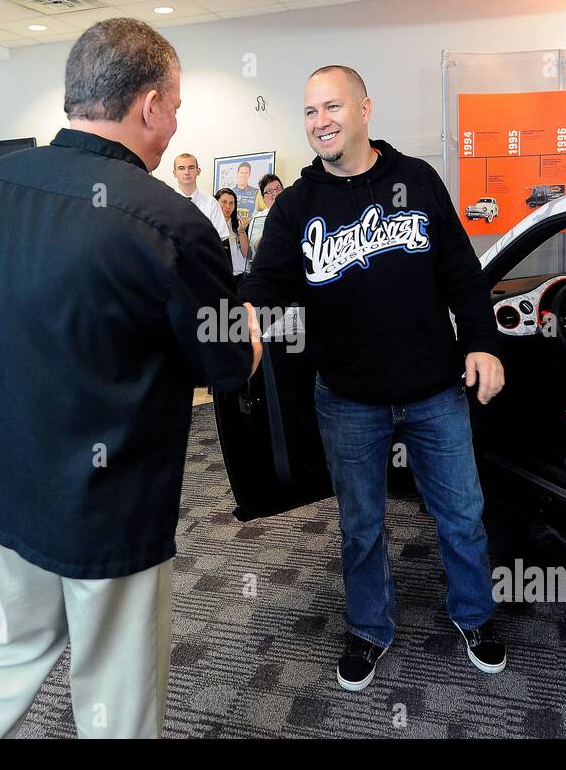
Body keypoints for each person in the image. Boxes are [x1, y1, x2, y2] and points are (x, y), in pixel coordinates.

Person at [0, 18, 260, 740]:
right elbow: (229, 367)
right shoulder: (167, 220)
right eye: (174, 106)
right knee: (117, 681)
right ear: (148, 105)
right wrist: (254, 331)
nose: (174, 125)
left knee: (18, 637)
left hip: (10, 484)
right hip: (111, 502)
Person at [240, 65, 506, 691]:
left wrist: (483, 345)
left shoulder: (416, 180)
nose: (319, 122)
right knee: (361, 525)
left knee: (462, 515)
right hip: (347, 398)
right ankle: (369, 628)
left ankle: (475, 616)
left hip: (434, 388)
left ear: (365, 108)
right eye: (309, 112)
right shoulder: (297, 204)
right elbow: (265, 281)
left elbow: (463, 276)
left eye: (331, 107)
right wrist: (242, 315)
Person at [173, 152, 234, 268]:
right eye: (181, 168)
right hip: (176, 268)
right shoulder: (167, 201)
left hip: (205, 266)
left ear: (198, 171)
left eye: (191, 167)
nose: (187, 172)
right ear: (175, 173)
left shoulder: (211, 203)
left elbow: (221, 239)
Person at [247, 172, 283, 264]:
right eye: (269, 191)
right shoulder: (258, 218)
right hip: (267, 268)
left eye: (278, 189)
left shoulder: (293, 213)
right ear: (263, 197)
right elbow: (256, 246)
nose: (275, 193)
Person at [213, 187, 243, 277]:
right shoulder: (207, 223)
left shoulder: (239, 224)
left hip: (237, 274)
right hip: (214, 273)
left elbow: (247, 254)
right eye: (224, 202)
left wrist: (242, 232)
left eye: (231, 203)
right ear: (215, 202)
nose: (228, 206)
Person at [231, 160, 258, 230]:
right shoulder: (230, 192)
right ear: (237, 174)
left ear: (249, 175)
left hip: (250, 229)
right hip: (232, 229)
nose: (243, 176)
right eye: (241, 173)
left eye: (246, 173)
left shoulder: (256, 192)